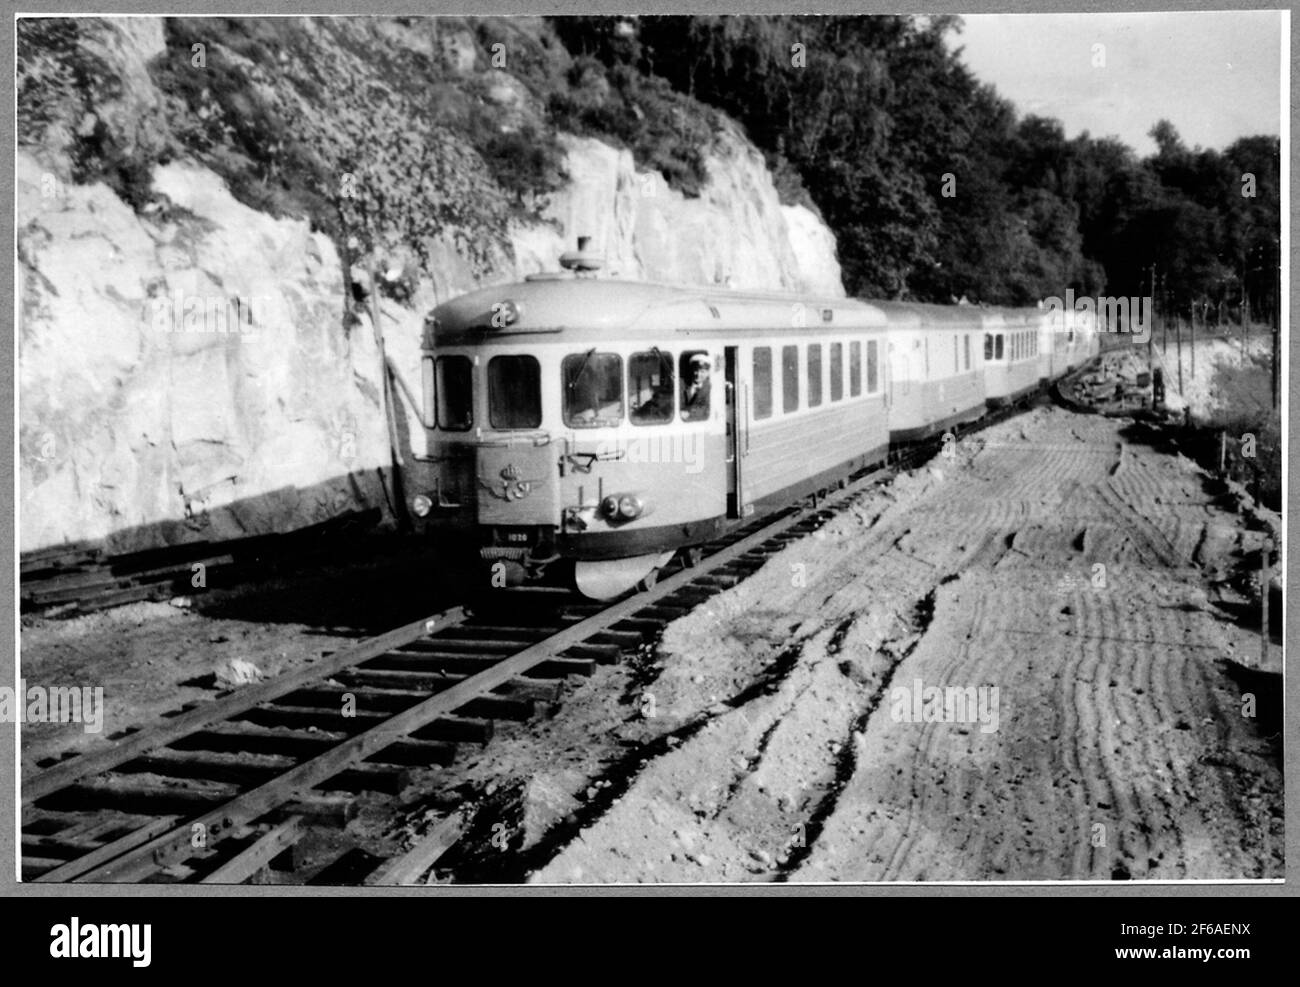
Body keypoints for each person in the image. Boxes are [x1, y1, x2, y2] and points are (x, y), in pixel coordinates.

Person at [682, 354, 711, 421]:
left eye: (702, 371)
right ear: (691, 370)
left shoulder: (710, 389)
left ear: (708, 373)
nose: (698, 374)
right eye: (696, 370)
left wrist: (688, 413)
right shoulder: (683, 385)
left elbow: (706, 410)